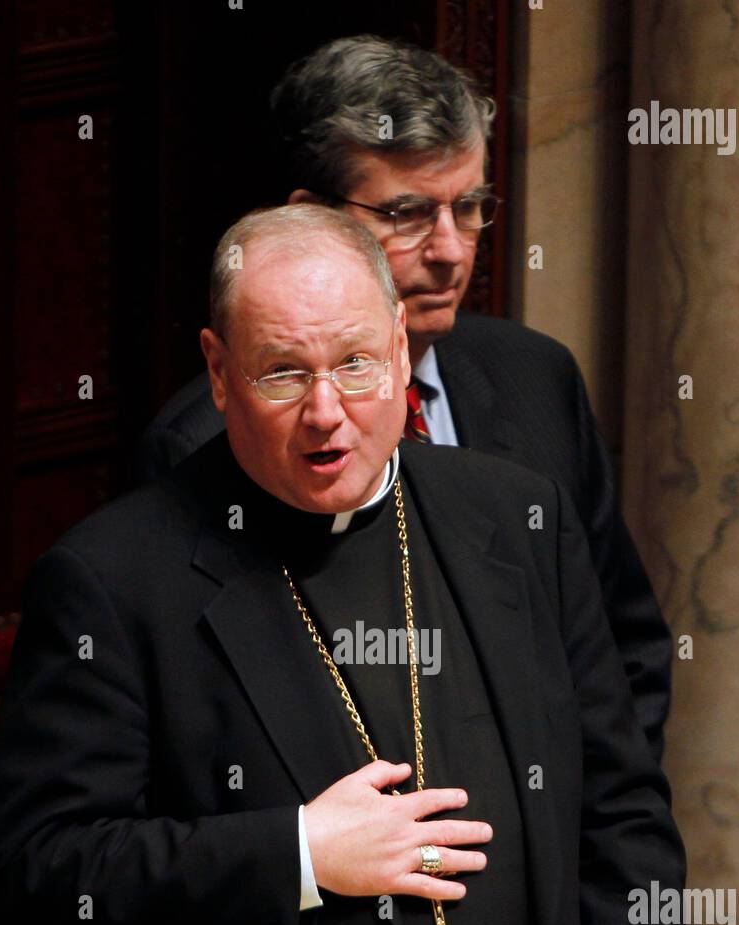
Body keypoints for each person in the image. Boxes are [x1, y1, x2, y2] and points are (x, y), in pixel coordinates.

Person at [0, 206, 734, 925]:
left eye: (355, 365)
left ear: (401, 345)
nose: (326, 415)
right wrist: (293, 852)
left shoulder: (515, 520)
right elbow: (37, 875)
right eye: (284, 374)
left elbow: (616, 809)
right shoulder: (115, 578)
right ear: (218, 370)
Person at [138, 35, 673, 762]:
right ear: (311, 220)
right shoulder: (205, 438)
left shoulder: (533, 377)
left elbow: (625, 653)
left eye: (469, 207)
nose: (450, 250)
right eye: (407, 213)